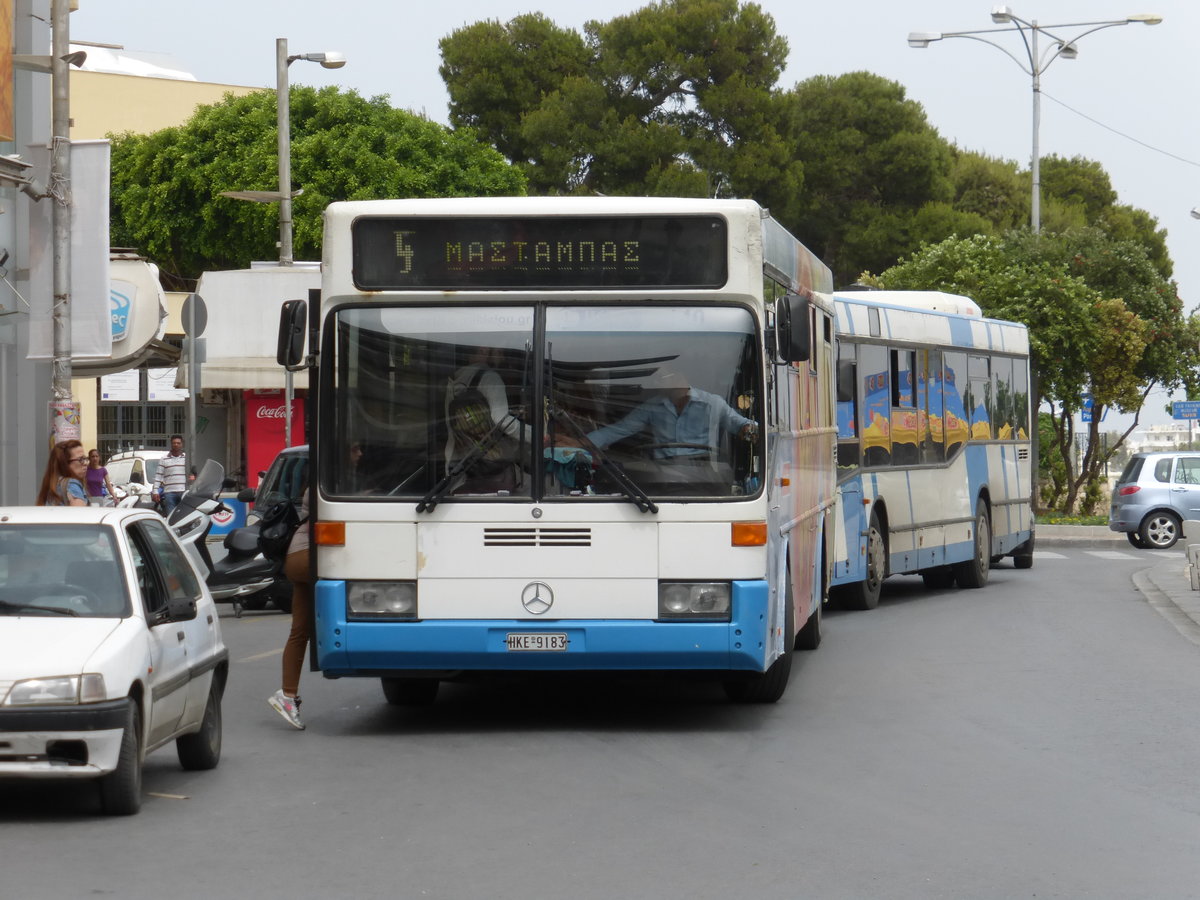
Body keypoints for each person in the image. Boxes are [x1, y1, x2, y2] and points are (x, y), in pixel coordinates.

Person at [586, 370, 758, 459]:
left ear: (680, 377)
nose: (657, 384)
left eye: (662, 378)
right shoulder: (652, 406)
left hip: (704, 472)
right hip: (662, 474)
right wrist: (583, 442)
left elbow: (742, 425)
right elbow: (619, 430)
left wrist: (751, 430)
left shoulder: (713, 403)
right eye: (655, 380)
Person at [445, 346, 532, 492]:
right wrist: (535, 436)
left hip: (460, 466)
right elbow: (502, 420)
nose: (502, 358)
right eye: (498, 352)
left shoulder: (454, 380)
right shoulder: (490, 378)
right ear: (482, 351)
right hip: (494, 469)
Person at [268, 488, 311, 730]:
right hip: (308, 556)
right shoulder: (329, 481)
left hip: (297, 556)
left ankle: (287, 694)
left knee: (300, 630)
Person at [36, 440, 89, 507]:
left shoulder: (53, 485)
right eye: (81, 459)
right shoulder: (72, 484)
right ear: (65, 463)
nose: (86, 463)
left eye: (85, 458)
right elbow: (79, 512)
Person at [151, 434, 188, 515]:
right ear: (171, 444)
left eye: (178, 443)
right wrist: (155, 491)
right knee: (171, 517)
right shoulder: (164, 459)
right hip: (169, 493)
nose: (176, 445)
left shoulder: (187, 458)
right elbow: (158, 476)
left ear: (182, 444)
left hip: (184, 492)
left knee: (184, 516)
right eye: (174, 443)